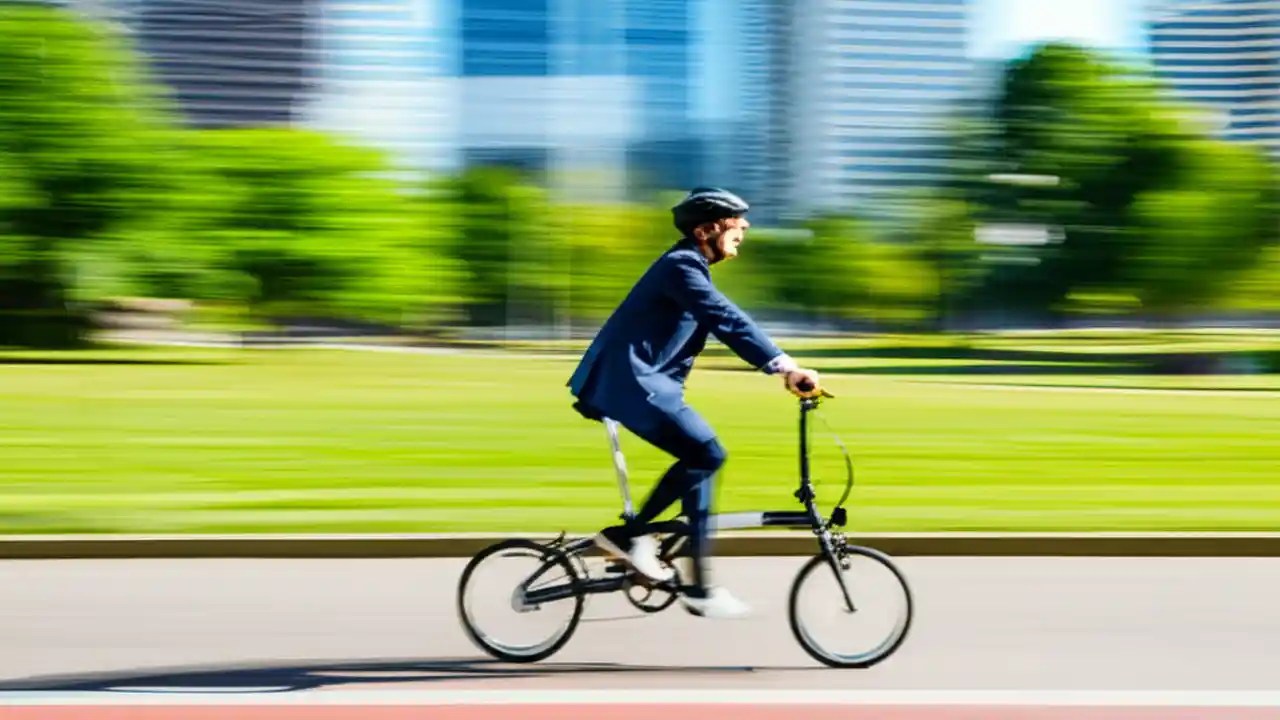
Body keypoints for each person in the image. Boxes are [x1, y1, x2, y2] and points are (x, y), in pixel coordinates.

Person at [566, 186, 823, 619]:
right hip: (631, 383)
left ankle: (700, 587)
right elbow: (726, 319)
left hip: (644, 384)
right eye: (736, 224)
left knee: (701, 470)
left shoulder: (689, 268)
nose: (745, 229)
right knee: (707, 452)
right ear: (706, 229)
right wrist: (784, 367)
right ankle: (629, 536)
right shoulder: (680, 266)